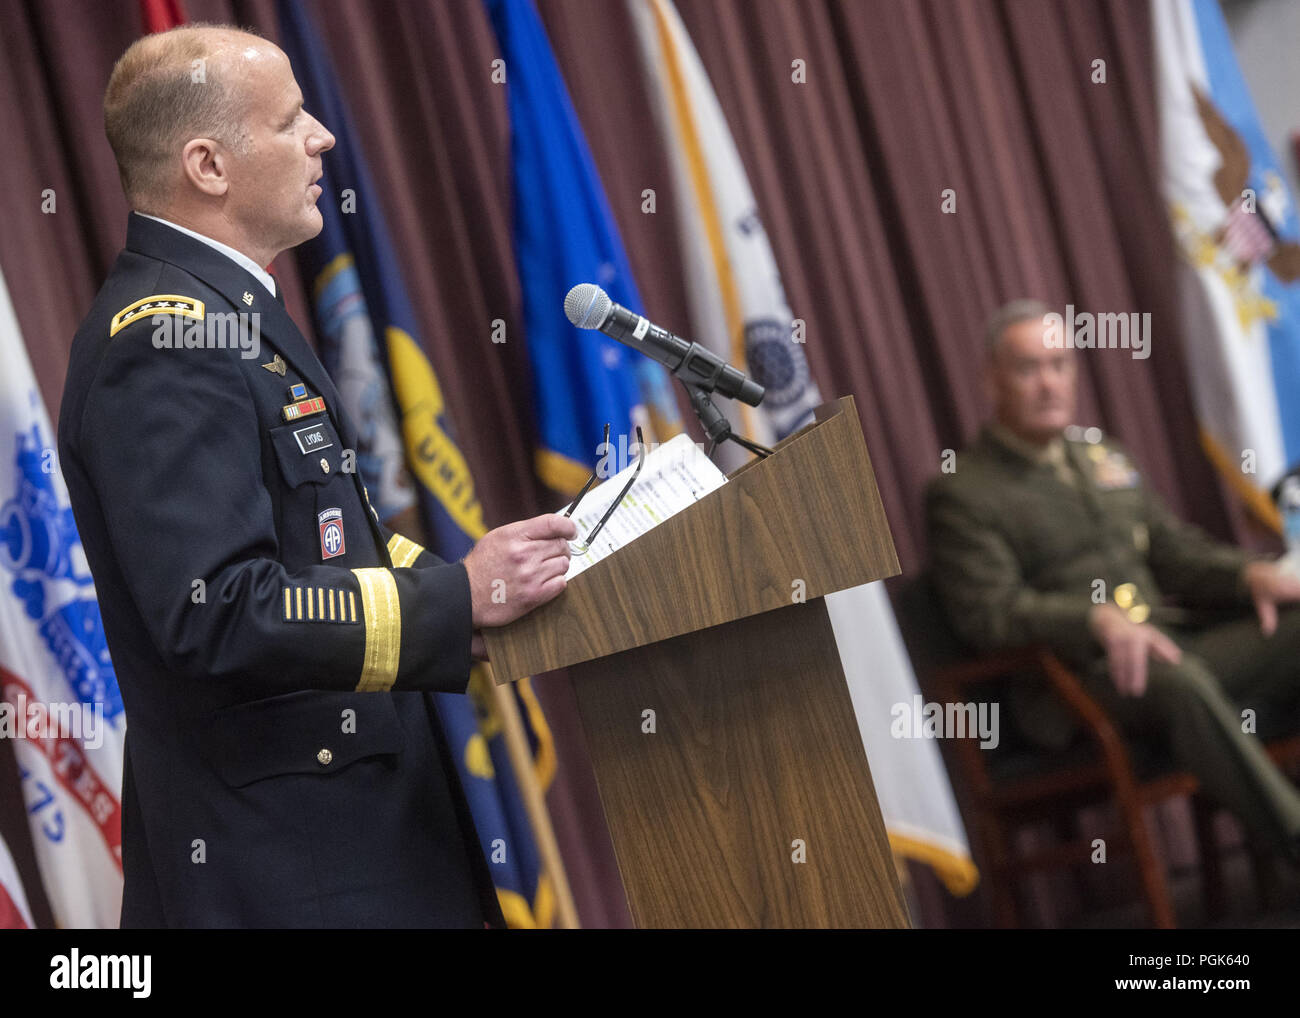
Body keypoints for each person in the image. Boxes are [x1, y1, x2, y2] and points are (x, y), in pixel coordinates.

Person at [57, 25, 576, 928]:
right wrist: (454, 603)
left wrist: (474, 585)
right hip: (290, 874)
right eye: (291, 118)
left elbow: (325, 531)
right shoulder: (166, 339)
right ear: (209, 166)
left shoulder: (229, 312)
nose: (323, 137)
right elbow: (215, 607)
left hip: (349, 842)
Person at [926, 298, 1300, 865]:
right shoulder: (963, 490)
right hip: (1075, 684)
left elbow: (1175, 554)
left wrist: (1252, 574)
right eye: (1029, 369)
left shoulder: (1103, 455)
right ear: (992, 380)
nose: (1049, 384)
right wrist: (1093, 619)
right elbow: (990, 614)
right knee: (1181, 682)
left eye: (1060, 365)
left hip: (1172, 640)